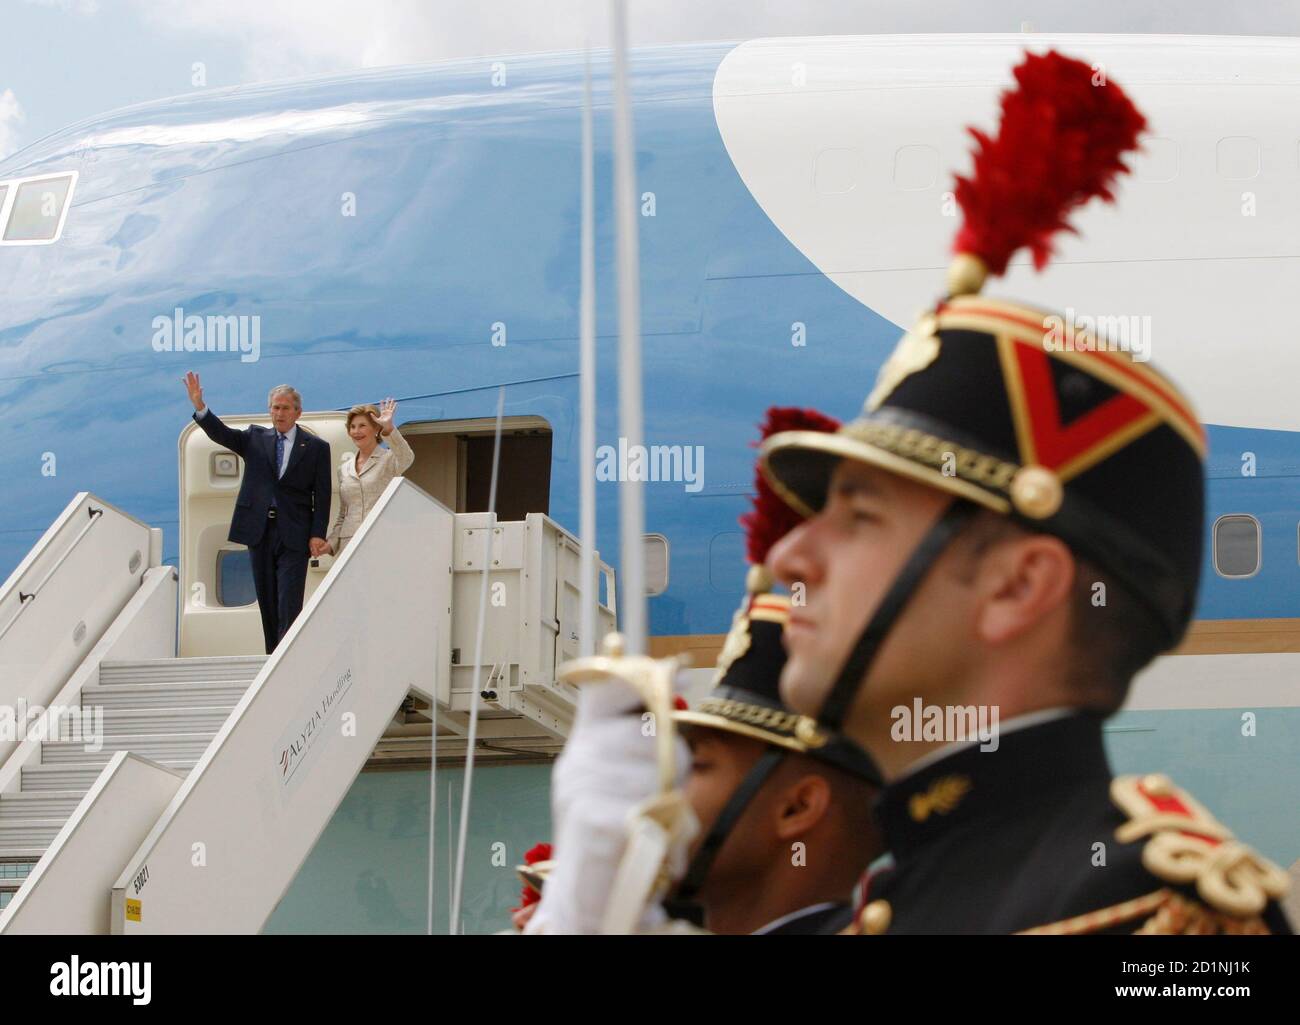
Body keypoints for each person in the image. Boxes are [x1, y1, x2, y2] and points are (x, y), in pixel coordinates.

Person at [756, 50, 1291, 934]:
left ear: (1019, 585)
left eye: (859, 516)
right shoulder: (883, 906)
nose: (789, 554)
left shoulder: (1160, 923)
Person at [184, 371, 332, 654]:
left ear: (298, 412)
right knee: (267, 598)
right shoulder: (255, 438)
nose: (279, 413)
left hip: (294, 534)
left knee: (289, 598)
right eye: (275, 407)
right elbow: (222, 435)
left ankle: (288, 655)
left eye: (285, 408)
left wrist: (317, 534)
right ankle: (271, 655)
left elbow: (322, 495)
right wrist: (200, 407)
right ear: (270, 410)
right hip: (259, 530)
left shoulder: (315, 448)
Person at [323, 399, 414, 558]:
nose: (356, 431)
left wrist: (389, 429)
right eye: (352, 427)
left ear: (376, 429)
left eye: (362, 426)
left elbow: (407, 457)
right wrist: (330, 544)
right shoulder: (344, 469)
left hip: (380, 539)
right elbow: (344, 515)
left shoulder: (388, 460)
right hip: (349, 544)